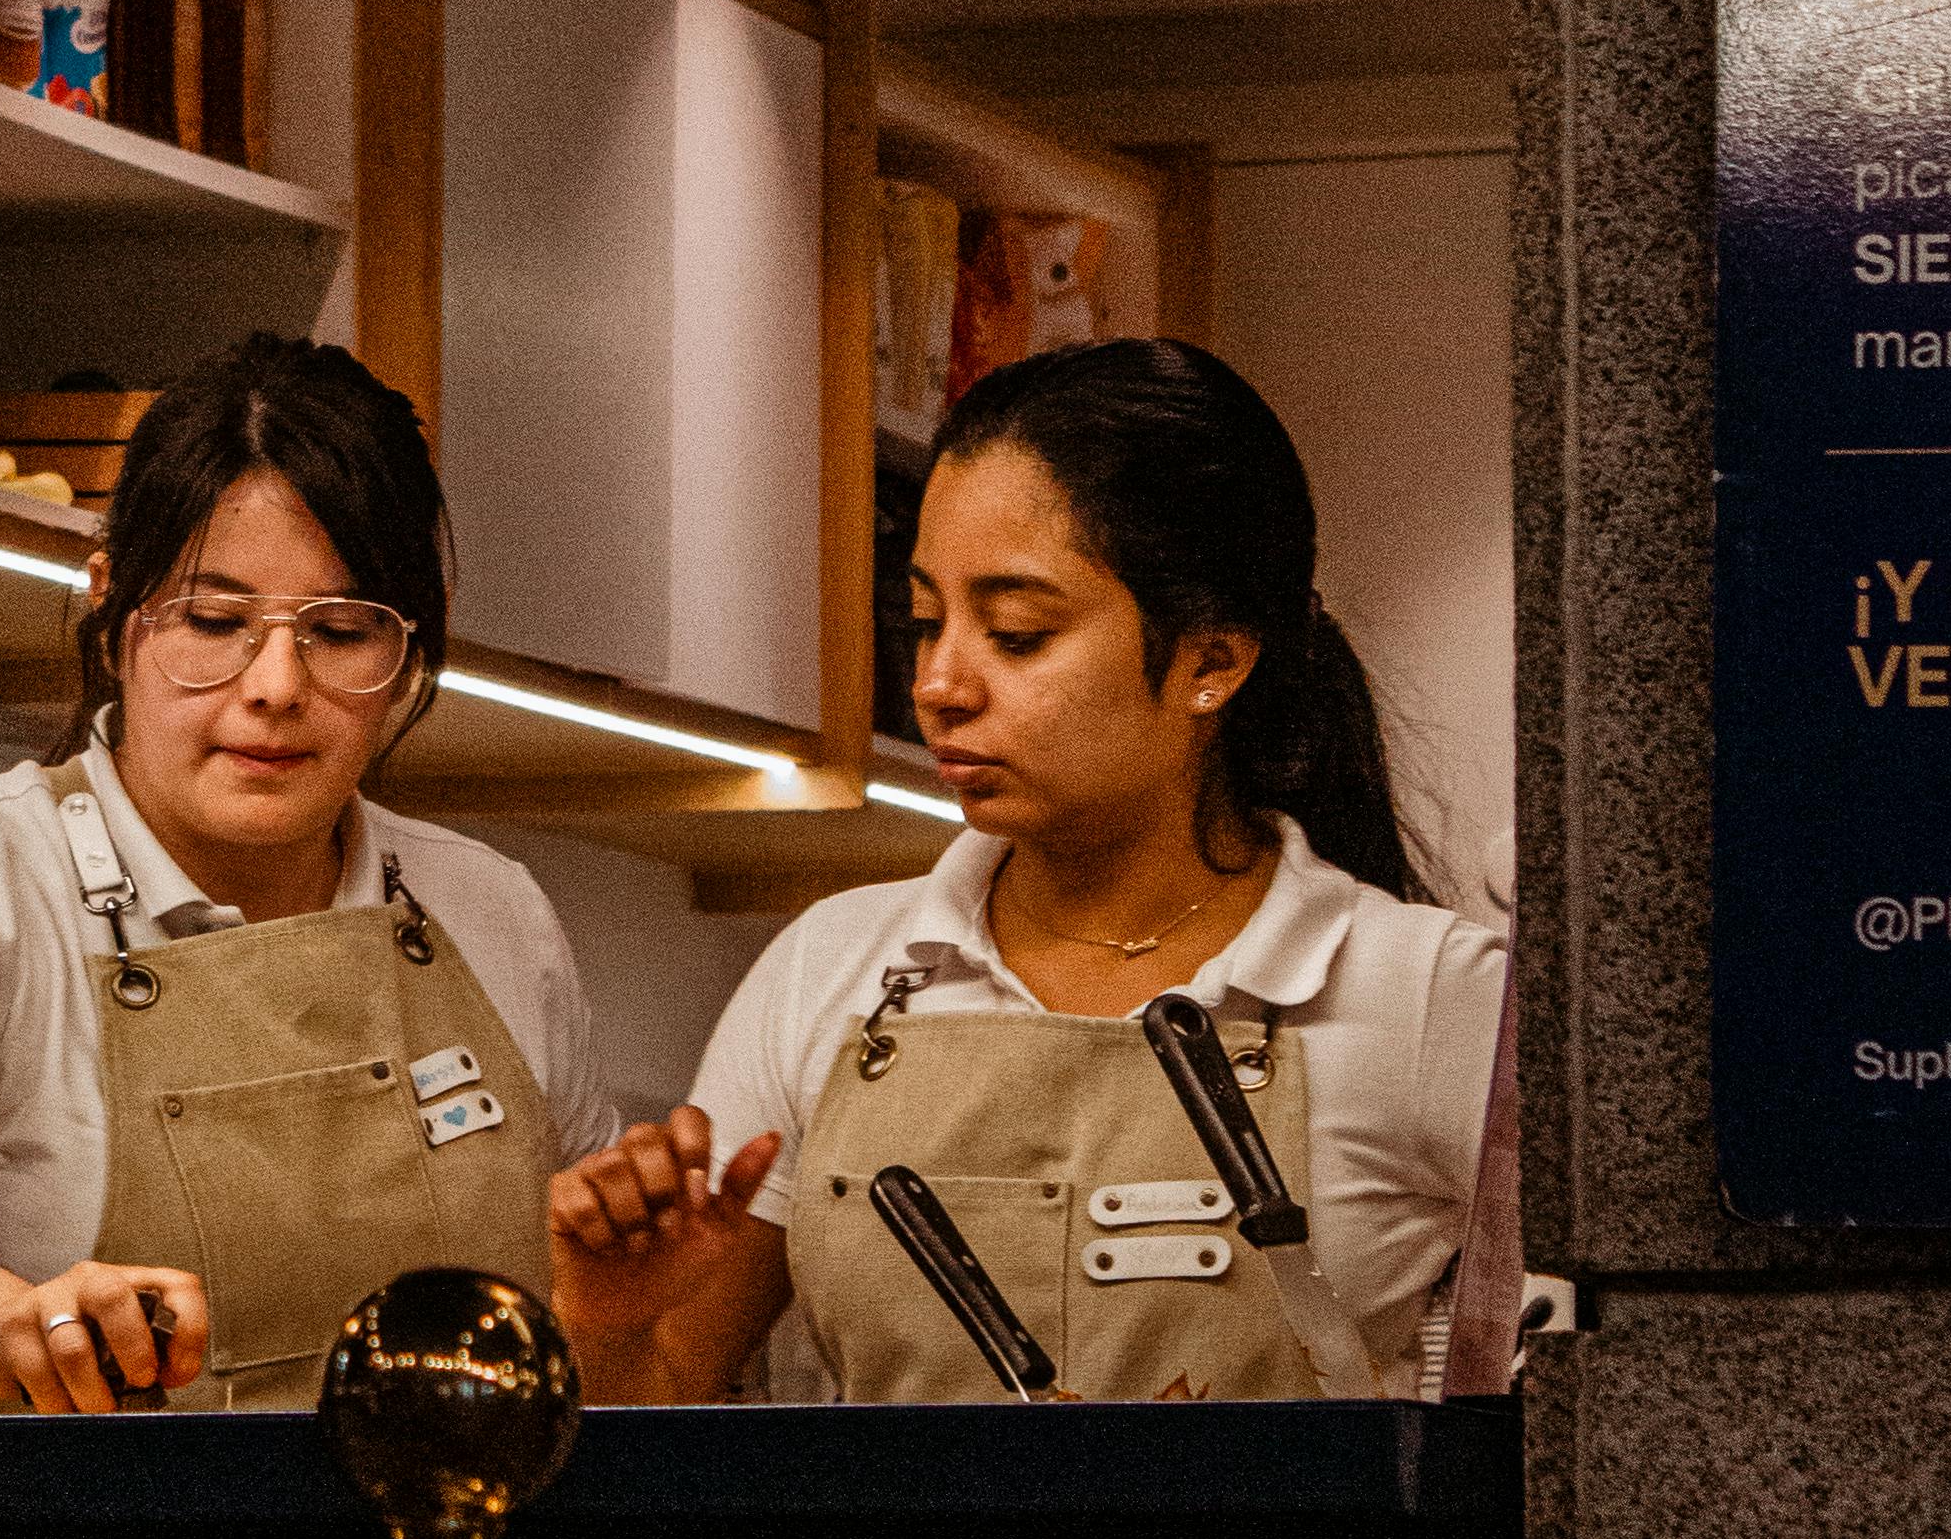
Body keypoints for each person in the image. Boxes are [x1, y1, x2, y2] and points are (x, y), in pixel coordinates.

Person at [550, 339, 1501, 1409]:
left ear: (1210, 662)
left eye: (1016, 633)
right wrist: (607, 1317)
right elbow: (658, 1405)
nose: (940, 683)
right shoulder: (832, 968)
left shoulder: (1423, 995)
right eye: (925, 621)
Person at [0, 332, 617, 1411]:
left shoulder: (491, 910)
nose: (275, 685)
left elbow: (594, 1316)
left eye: (341, 632)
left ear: (410, 653)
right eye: (212, 620)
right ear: (114, 612)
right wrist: (1, 1322)